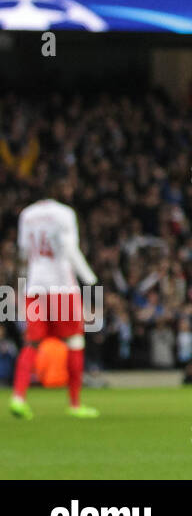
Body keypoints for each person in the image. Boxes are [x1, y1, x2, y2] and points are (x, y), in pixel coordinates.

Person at [9, 179, 99, 420]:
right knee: (74, 342)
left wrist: (22, 285)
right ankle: (75, 403)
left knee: (32, 343)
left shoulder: (26, 215)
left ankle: (18, 398)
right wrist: (90, 279)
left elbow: (23, 253)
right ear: (59, 190)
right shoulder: (64, 213)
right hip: (61, 286)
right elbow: (70, 250)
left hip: (35, 286)